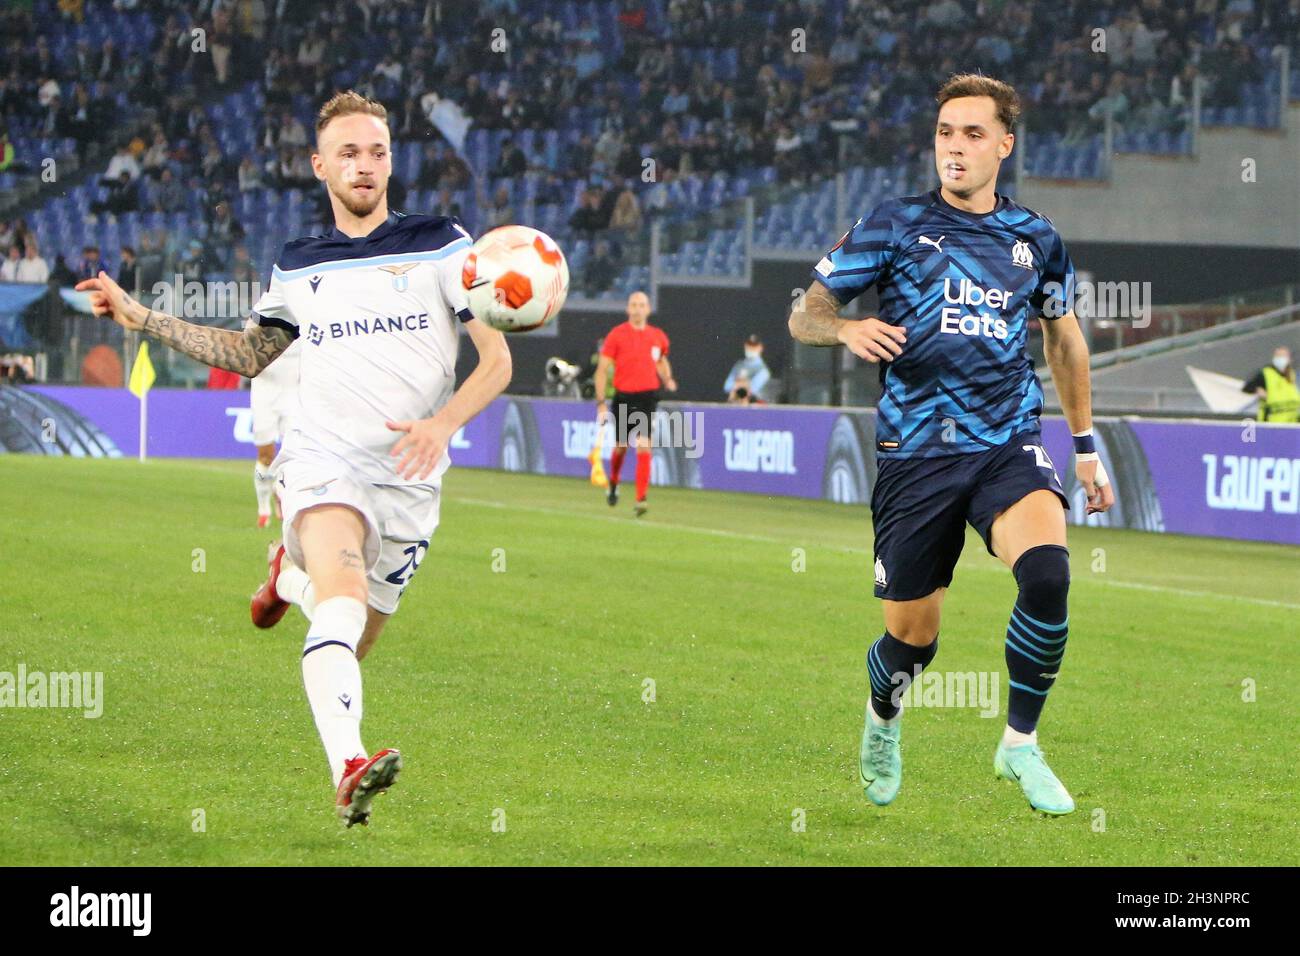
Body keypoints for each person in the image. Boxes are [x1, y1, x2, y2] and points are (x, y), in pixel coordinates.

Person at [75, 90, 512, 828]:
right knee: (340, 598)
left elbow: (497, 360)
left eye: (376, 151)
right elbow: (250, 355)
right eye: (348, 152)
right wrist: (141, 316)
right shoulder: (298, 264)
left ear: (390, 160)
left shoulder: (444, 242)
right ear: (319, 166)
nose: (364, 165)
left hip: (408, 478)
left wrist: (442, 424)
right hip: (322, 458)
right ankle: (349, 766)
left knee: (353, 637)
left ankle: (287, 573)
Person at [789, 74, 1114, 817]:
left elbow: (1063, 341)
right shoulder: (893, 224)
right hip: (917, 457)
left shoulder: (1036, 239)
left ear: (1005, 144)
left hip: (1006, 442)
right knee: (911, 641)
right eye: (944, 133)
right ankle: (882, 721)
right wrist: (842, 327)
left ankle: (1019, 745)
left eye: (972, 134)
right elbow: (807, 312)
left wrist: (1085, 447)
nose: (955, 148)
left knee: (1049, 576)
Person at [593, 291, 676, 517]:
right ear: (628, 309)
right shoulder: (616, 335)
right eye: (634, 304)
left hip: (646, 397)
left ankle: (641, 498)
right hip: (624, 396)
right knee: (621, 447)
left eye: (642, 305)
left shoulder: (657, 336)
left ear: (648, 309)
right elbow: (602, 370)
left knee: (643, 444)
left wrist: (667, 378)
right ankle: (614, 481)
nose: (638, 309)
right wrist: (601, 402)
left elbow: (660, 360)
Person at [250, 336, 303, 527]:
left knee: (293, 454)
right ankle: (263, 508)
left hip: (293, 395)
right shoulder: (259, 324)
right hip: (264, 394)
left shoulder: (303, 322)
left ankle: (286, 498)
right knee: (265, 456)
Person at [1241, 345, 1298, 423]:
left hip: (1291, 422)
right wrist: (1257, 390)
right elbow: (1247, 387)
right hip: (1271, 421)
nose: (1280, 359)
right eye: (1278, 356)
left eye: (1283, 356)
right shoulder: (1266, 373)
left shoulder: (1291, 374)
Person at [723, 333, 771, 401]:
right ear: (745, 346)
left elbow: (752, 390)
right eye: (749, 346)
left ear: (760, 348)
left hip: (755, 405)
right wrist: (740, 385)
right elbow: (727, 386)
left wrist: (739, 385)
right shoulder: (739, 365)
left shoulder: (763, 370)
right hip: (736, 402)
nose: (751, 349)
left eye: (754, 346)